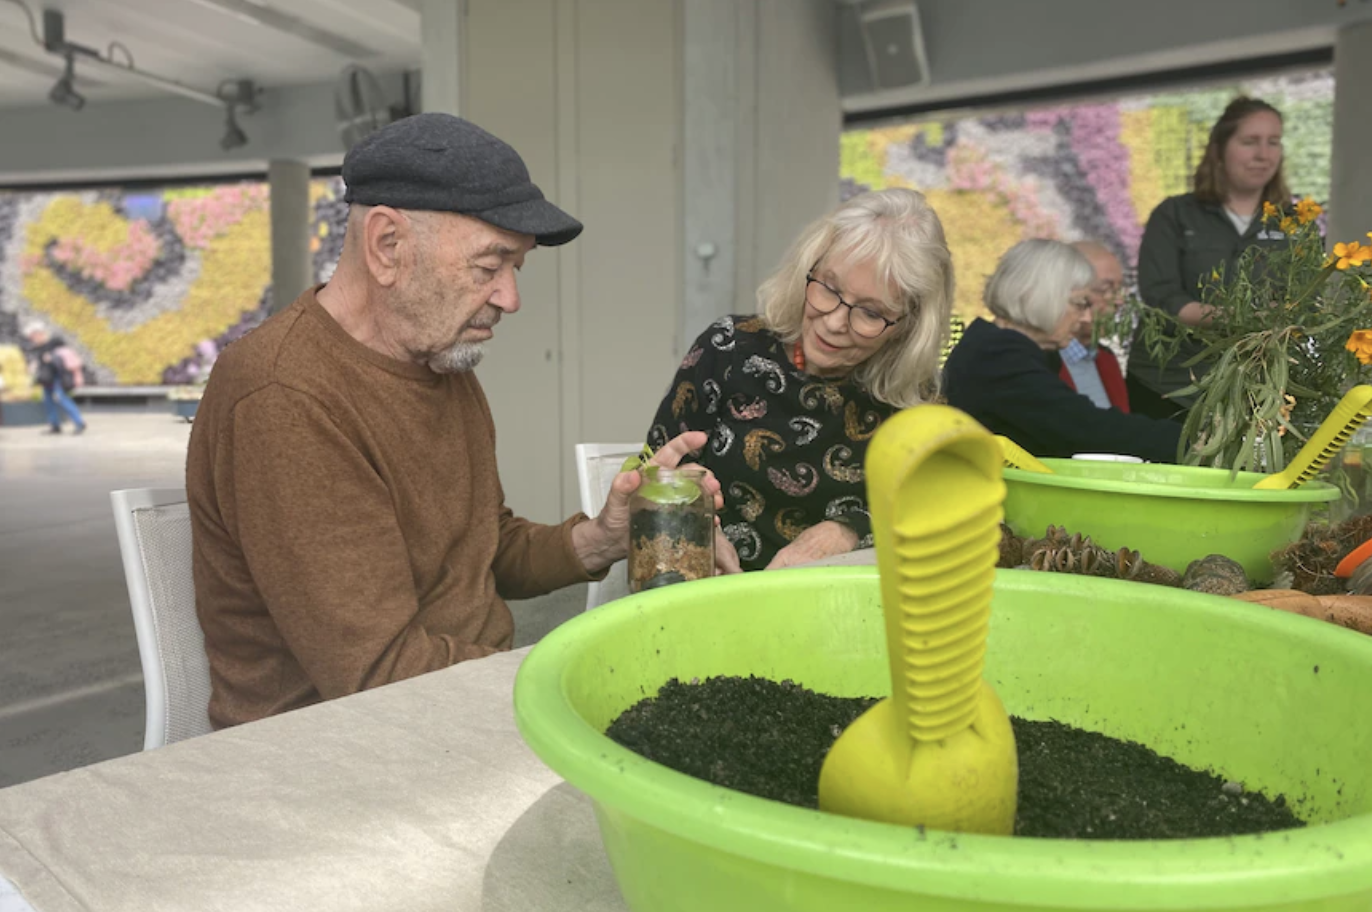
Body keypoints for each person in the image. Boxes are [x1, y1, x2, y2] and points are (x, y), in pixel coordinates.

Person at [186, 113, 728, 729]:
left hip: (457, 705)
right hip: (332, 744)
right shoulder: (284, 396)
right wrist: (592, 676)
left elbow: (483, 550)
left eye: (515, 269)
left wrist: (603, 535)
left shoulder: (441, 363)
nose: (510, 298)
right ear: (388, 246)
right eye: (487, 266)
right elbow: (377, 675)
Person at [646, 188, 955, 571]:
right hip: (710, 589)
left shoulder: (915, 401)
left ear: (907, 327)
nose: (834, 322)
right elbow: (652, 469)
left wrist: (849, 531)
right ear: (807, 269)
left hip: (841, 611)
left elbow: (939, 510)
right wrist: (698, 529)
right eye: (829, 288)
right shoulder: (729, 349)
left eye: (871, 314)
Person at [1128, 96, 1292, 420]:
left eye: (1273, 142)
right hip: (1167, 385)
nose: (1263, 154)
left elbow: (1303, 299)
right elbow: (1162, 297)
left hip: (1252, 387)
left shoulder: (1295, 221)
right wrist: (1245, 318)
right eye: (1249, 142)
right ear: (1219, 149)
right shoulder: (1174, 214)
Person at [943, 239, 1180, 462]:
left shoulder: (1000, 346)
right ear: (1040, 297)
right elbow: (1084, 428)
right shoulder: (998, 355)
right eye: (1079, 304)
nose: (1086, 317)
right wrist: (1190, 442)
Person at [1056, 241, 1129, 412]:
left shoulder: (1106, 358)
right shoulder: (1038, 361)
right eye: (1105, 289)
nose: (1119, 301)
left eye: (1119, 289)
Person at [22, 321, 86, 435]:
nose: (33, 339)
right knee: (48, 401)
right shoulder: (38, 348)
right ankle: (55, 425)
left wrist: (52, 358)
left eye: (34, 335)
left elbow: (65, 358)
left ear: (40, 333)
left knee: (62, 399)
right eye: (31, 337)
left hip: (59, 377)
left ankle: (79, 423)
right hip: (47, 378)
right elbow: (40, 362)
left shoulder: (55, 343)